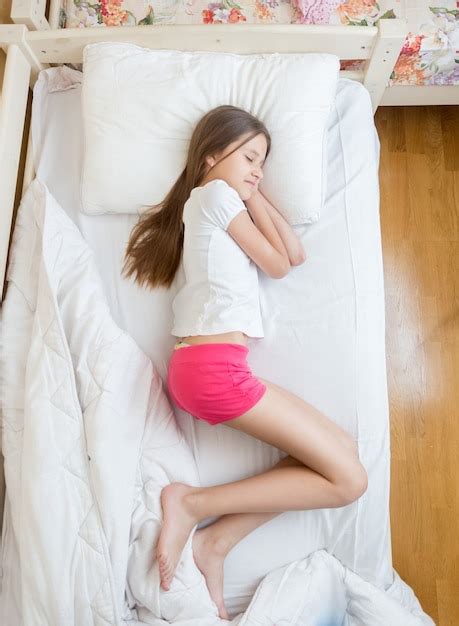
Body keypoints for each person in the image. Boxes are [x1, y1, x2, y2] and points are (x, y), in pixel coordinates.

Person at [123, 105, 368, 620]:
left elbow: (294, 255)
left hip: (213, 369)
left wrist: (254, 191)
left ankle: (215, 544)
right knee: (349, 481)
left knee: (336, 455)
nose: (259, 170)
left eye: (264, 162)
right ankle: (191, 504)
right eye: (251, 157)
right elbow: (278, 264)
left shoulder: (221, 198)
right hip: (213, 371)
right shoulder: (212, 195)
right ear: (212, 154)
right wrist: (248, 194)